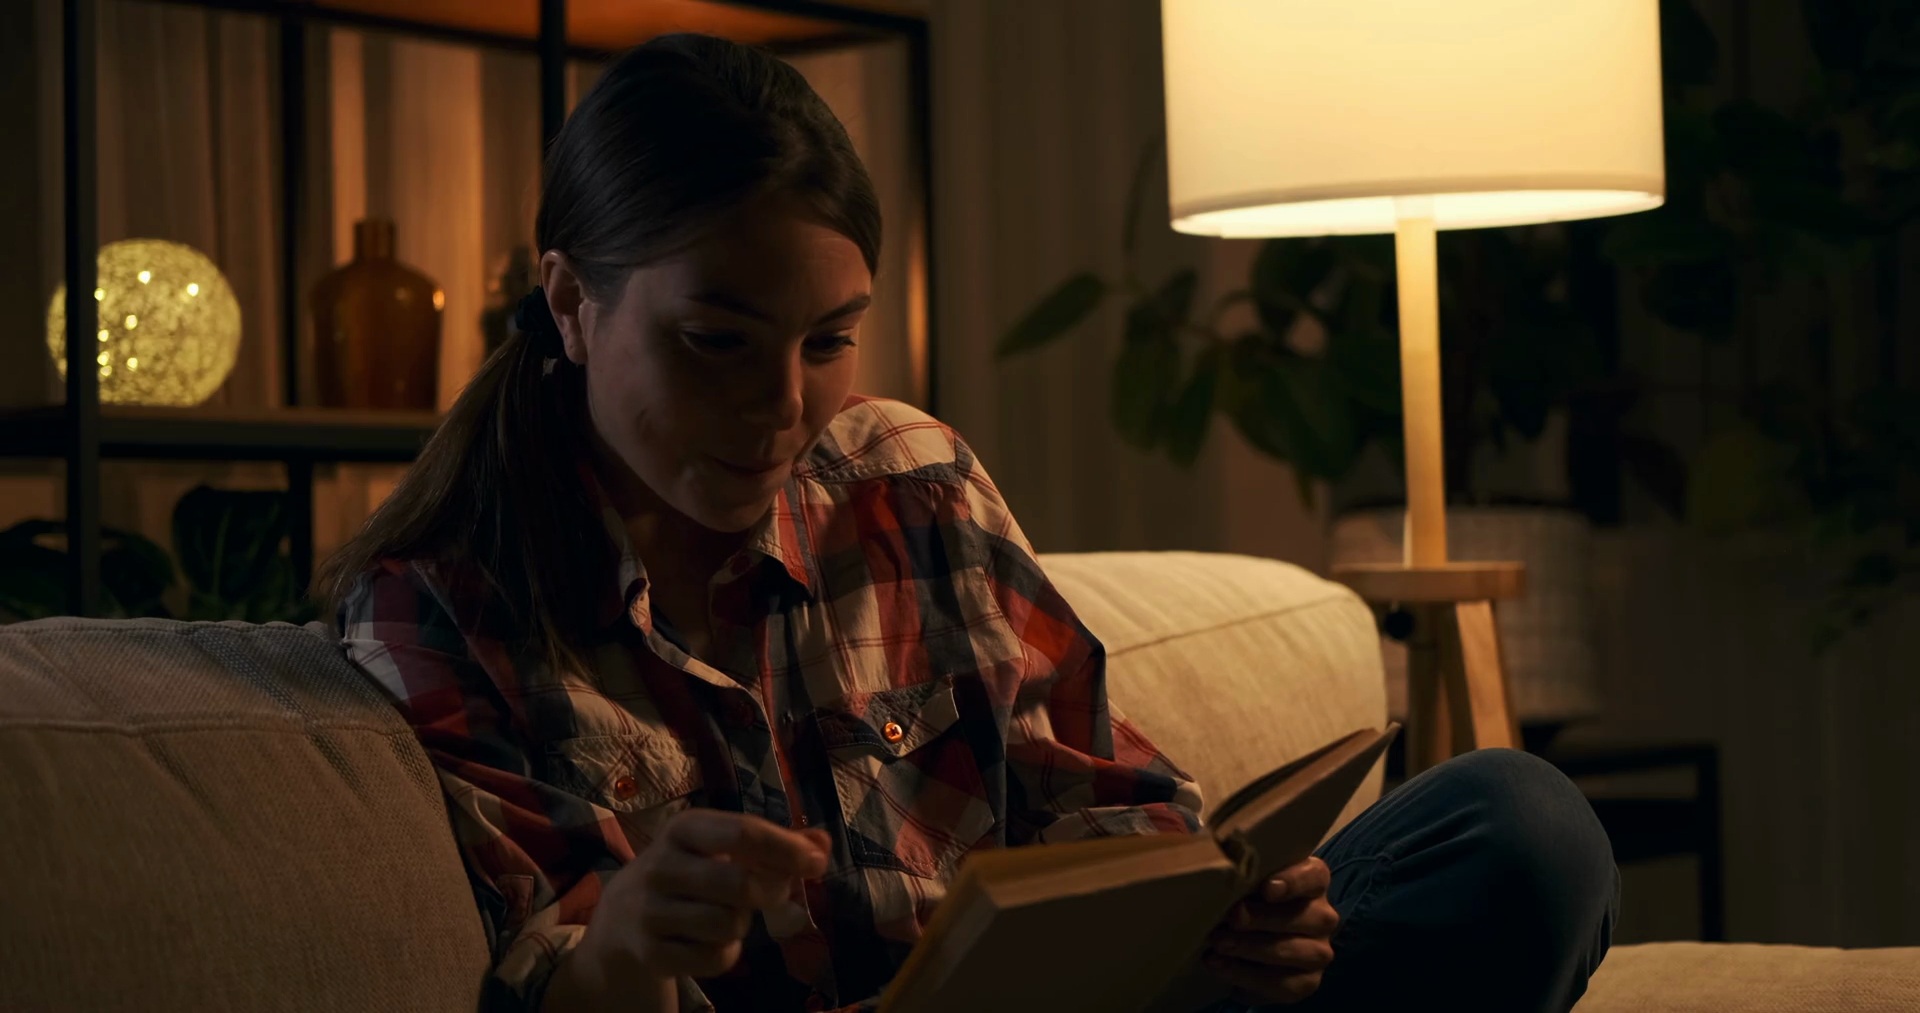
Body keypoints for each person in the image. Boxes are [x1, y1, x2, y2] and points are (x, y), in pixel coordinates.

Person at [326, 33, 1618, 1013]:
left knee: (1518, 829)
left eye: (828, 341)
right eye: (716, 342)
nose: (781, 408)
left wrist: (1228, 911)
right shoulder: (443, 598)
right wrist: (621, 950)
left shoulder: (904, 475)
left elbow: (1103, 798)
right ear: (568, 301)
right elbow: (542, 967)